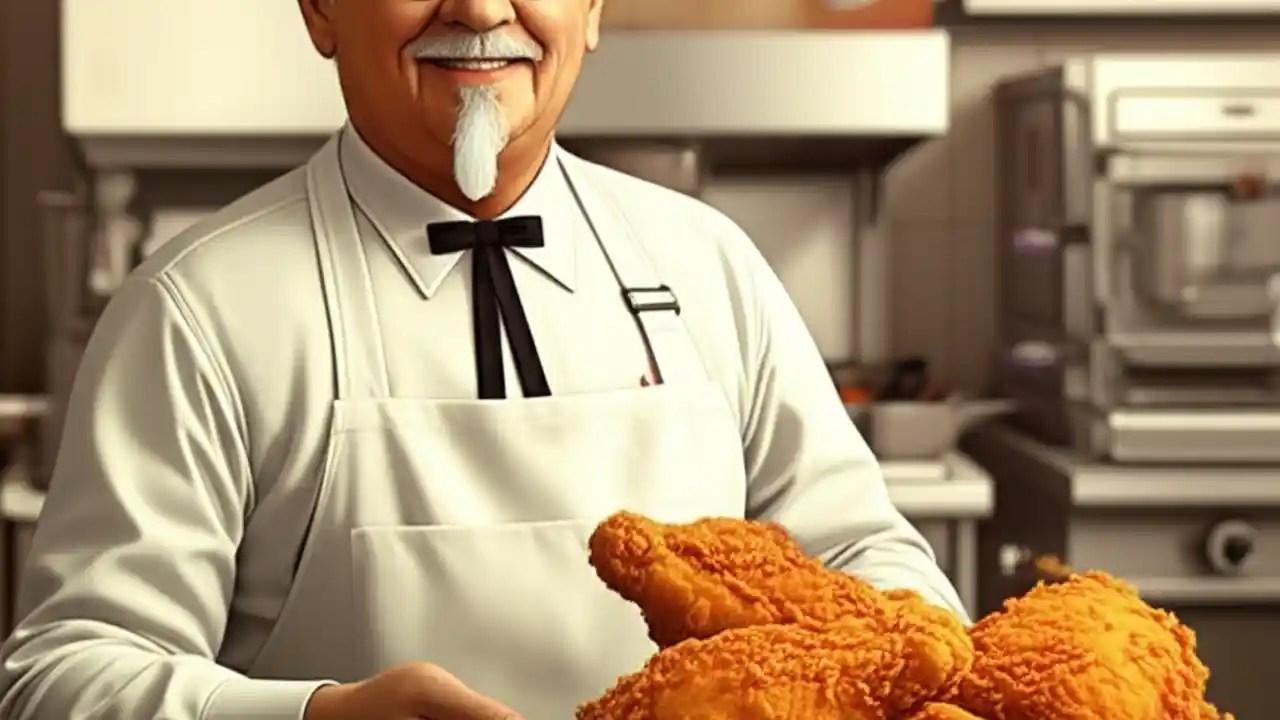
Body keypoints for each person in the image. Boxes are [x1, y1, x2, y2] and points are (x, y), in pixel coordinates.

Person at [0, 0, 968, 718]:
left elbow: (864, 562)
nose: (477, 7)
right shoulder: (196, 308)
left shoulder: (707, 265)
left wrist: (911, 672)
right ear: (320, 10)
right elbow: (65, 677)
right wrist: (314, 717)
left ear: (589, 11)